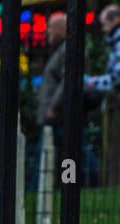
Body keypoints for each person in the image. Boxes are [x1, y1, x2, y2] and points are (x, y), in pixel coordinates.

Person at [36, 11, 100, 189]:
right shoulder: (62, 49)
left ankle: (74, 183)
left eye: (50, 27)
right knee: (69, 150)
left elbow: (68, 81)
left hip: (61, 113)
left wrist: (53, 106)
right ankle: (66, 184)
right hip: (58, 112)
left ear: (60, 29)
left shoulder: (69, 48)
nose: (47, 31)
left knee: (72, 150)